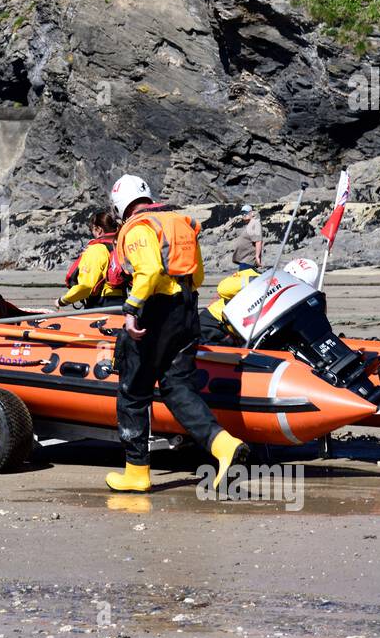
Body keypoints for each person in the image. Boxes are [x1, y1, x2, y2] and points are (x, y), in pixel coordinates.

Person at [106, 175, 250, 494]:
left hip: (155, 311)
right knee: (176, 385)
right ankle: (223, 444)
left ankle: (136, 471)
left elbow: (149, 271)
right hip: (187, 308)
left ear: (120, 206)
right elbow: (197, 274)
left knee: (133, 391)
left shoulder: (138, 227)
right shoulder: (180, 221)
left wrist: (131, 309)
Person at [56, 211, 125, 309]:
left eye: (91, 230)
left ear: (98, 229)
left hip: (101, 304)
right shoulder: (120, 247)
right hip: (123, 302)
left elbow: (86, 286)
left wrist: (62, 301)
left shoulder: (97, 249)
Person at [199, 268, 259, 346]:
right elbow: (222, 289)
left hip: (237, 331)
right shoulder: (251, 274)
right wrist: (253, 281)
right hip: (214, 322)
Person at [230, 204, 263, 270]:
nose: (244, 215)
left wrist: (257, 257)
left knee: (244, 279)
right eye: (242, 213)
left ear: (252, 213)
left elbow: (258, 241)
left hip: (249, 261)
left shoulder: (255, 224)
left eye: (246, 212)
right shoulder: (251, 224)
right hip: (244, 260)